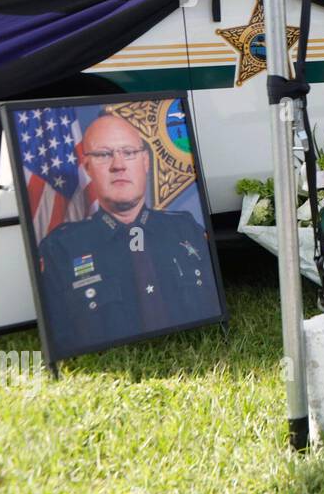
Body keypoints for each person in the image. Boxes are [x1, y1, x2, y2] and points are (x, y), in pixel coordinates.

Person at [37, 113, 219, 356]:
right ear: (87, 166)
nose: (118, 165)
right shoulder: (62, 248)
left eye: (129, 152)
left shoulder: (185, 230)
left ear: (145, 161)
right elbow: (62, 333)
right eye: (103, 154)